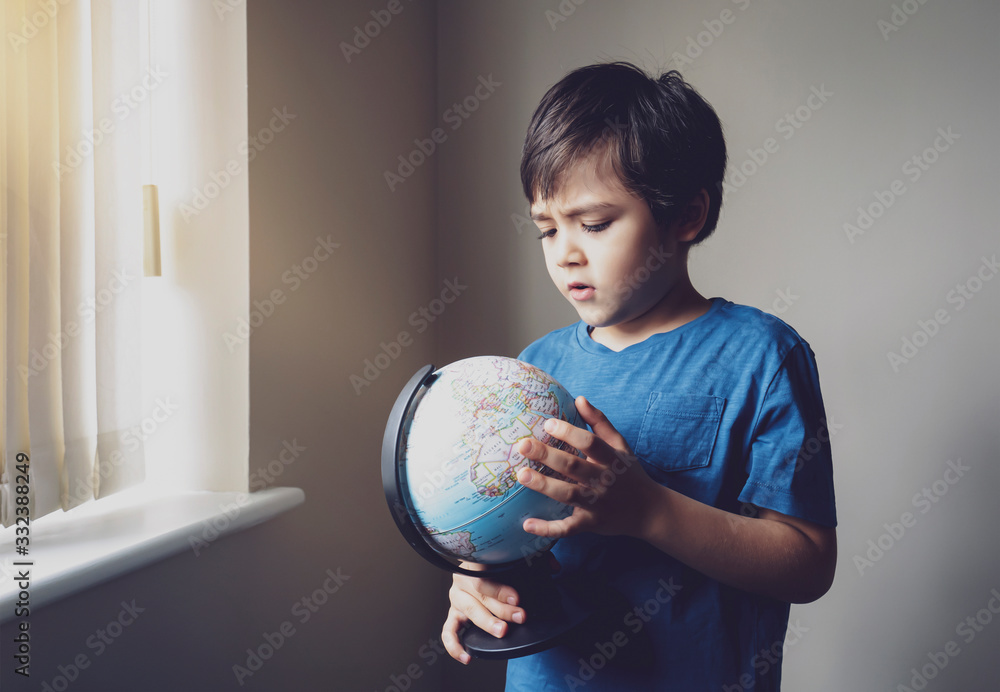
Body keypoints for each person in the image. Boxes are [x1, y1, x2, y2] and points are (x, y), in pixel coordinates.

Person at [441, 61, 838, 691]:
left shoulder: (762, 357)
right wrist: (474, 578)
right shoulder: (533, 370)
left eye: (595, 225)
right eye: (547, 229)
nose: (565, 253)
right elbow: (505, 527)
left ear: (686, 216)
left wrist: (649, 509)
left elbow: (808, 563)